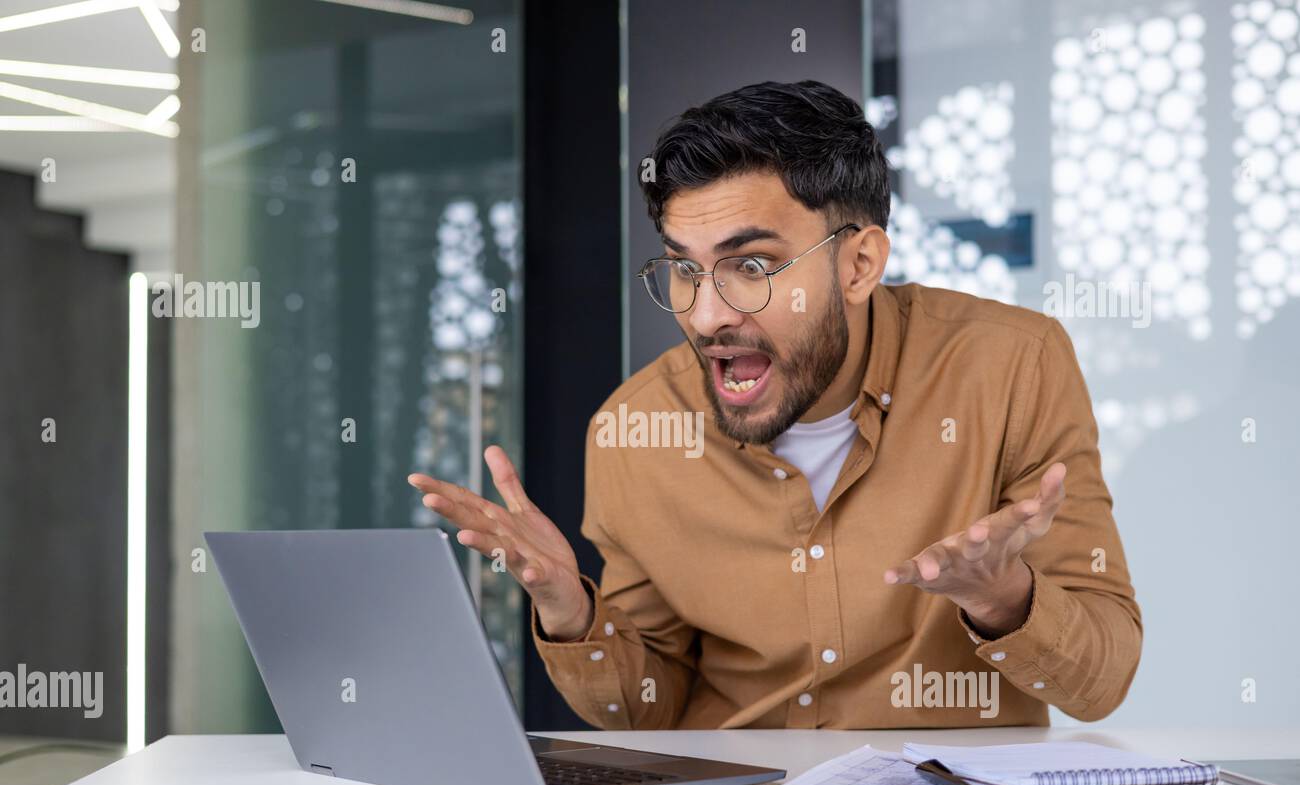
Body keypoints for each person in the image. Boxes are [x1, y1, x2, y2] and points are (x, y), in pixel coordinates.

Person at [410, 79, 1141, 730]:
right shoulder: (634, 429)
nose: (704, 316)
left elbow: (1102, 682)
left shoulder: (1013, 364)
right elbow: (647, 711)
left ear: (859, 264)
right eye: (684, 270)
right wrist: (573, 617)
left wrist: (1002, 594)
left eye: (750, 267)